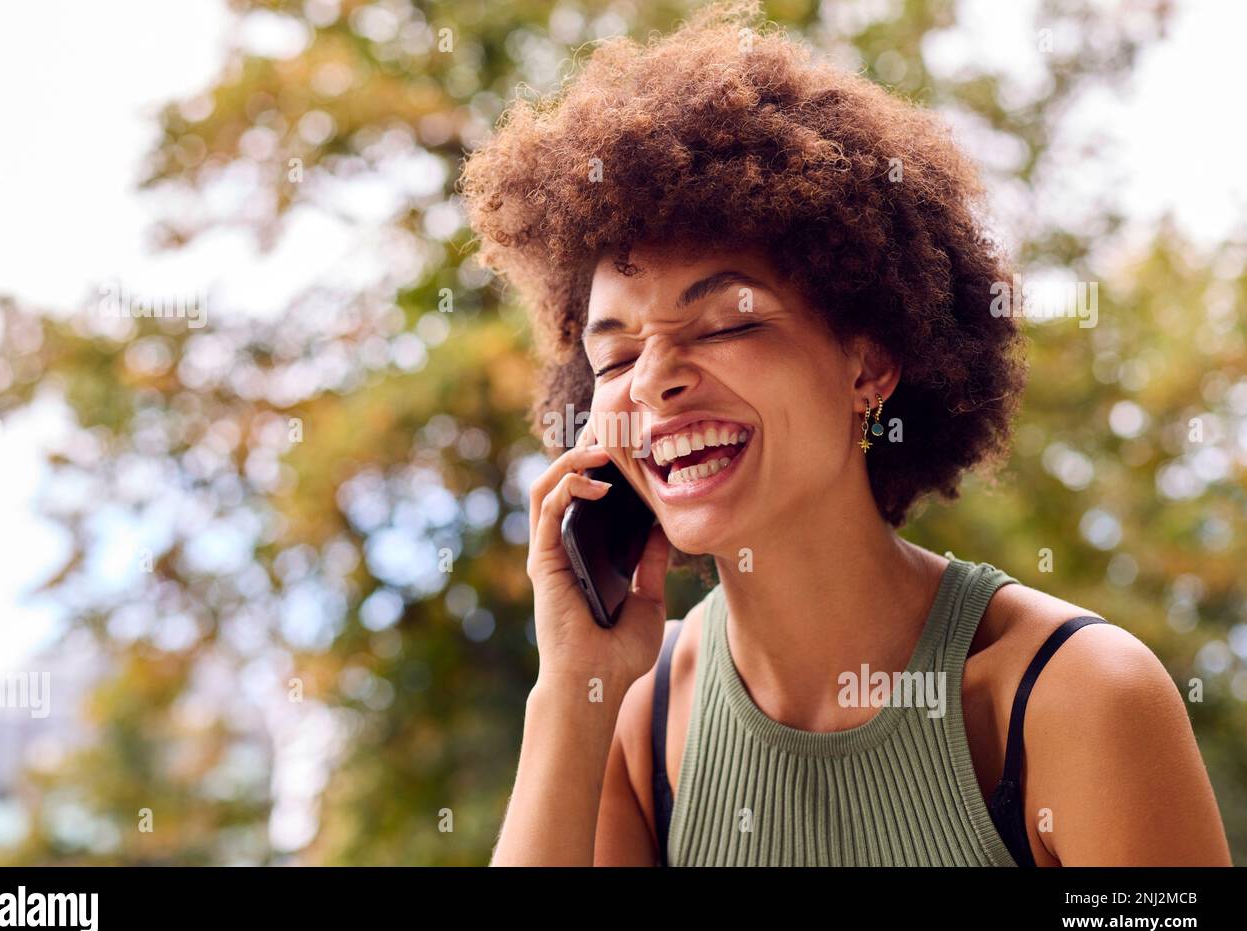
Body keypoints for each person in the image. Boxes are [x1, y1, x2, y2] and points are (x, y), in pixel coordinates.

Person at [459, 0, 1232, 866]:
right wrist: (571, 692)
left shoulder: (1075, 696)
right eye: (615, 356)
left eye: (724, 325)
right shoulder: (632, 722)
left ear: (868, 365)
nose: (653, 381)